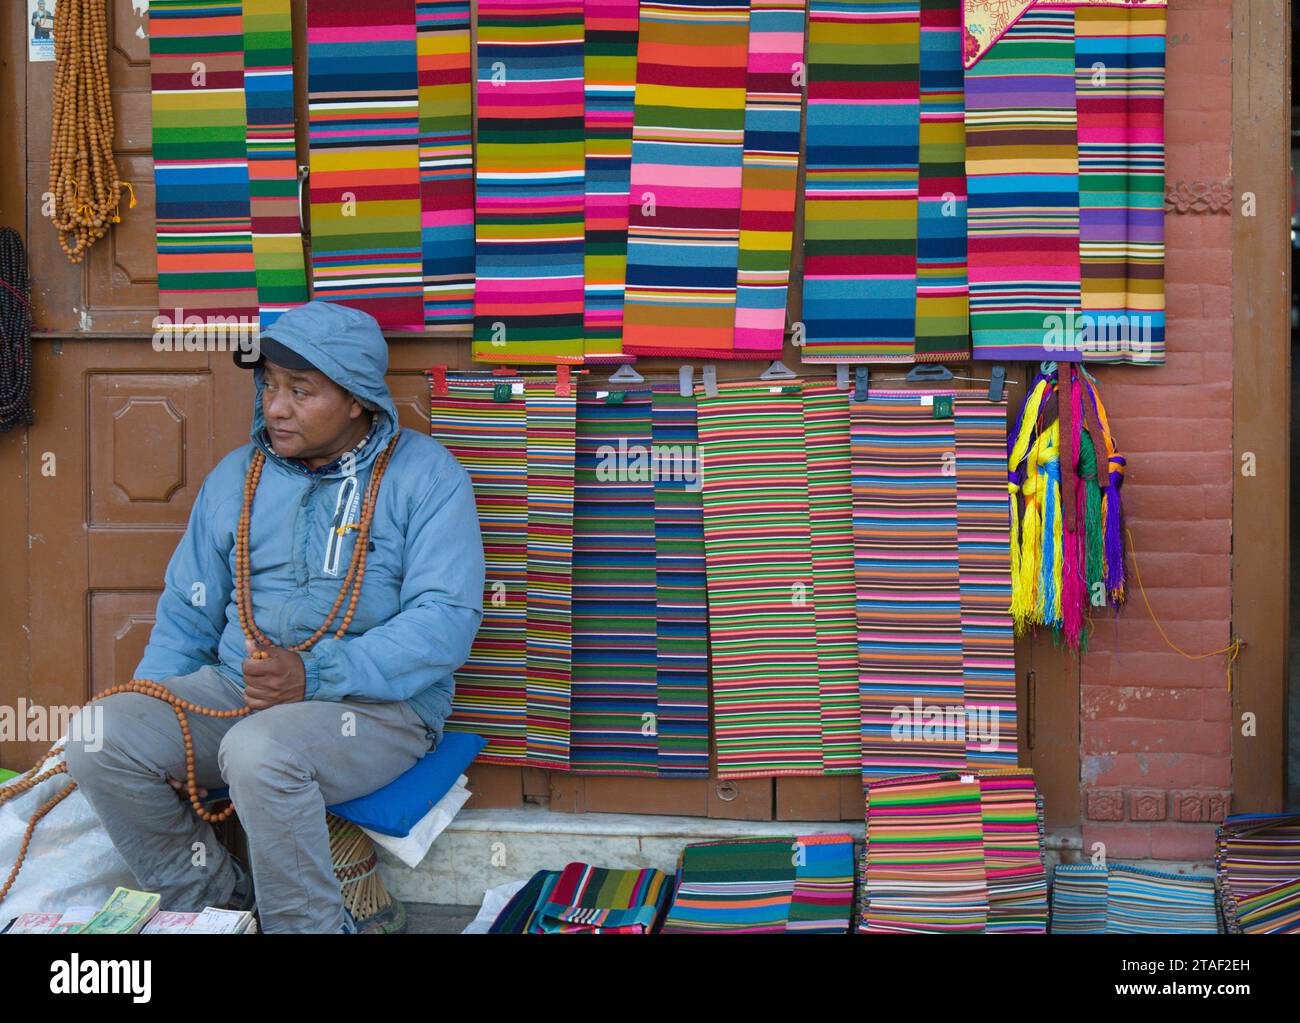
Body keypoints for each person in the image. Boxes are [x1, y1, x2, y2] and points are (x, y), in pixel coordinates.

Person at [64, 301, 485, 933]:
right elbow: (187, 612)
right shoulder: (237, 476)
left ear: (357, 400)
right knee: (99, 736)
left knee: (261, 750)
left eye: (300, 390)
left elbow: (446, 620)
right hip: (237, 692)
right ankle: (216, 906)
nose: (275, 406)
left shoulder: (425, 475)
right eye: (269, 386)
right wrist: (161, 718)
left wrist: (315, 674)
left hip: (376, 710)